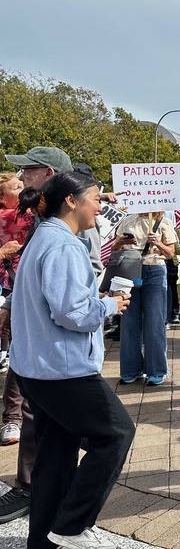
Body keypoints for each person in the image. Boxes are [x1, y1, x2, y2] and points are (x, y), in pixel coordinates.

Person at [11, 171, 134, 549]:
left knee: (56, 455)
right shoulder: (63, 245)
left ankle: (45, 539)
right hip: (63, 369)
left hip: (37, 367)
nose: (101, 206)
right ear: (71, 201)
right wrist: (108, 305)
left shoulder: (44, 237)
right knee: (115, 434)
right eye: (95, 199)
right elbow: (71, 312)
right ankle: (72, 525)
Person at [0, 146, 76, 525]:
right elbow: (30, 271)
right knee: (38, 414)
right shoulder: (42, 220)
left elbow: (88, 274)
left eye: (27, 171)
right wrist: (11, 303)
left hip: (54, 340)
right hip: (33, 330)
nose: (22, 178)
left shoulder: (71, 222)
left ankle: (38, 490)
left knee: (47, 415)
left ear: (47, 174)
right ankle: (40, 488)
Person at [115, 211, 177, 386]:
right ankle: (130, 370)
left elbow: (171, 253)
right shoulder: (127, 220)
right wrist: (121, 242)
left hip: (155, 268)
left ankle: (156, 370)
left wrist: (157, 243)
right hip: (129, 269)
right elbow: (114, 249)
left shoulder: (164, 221)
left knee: (155, 321)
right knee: (128, 321)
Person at [0, 173, 31, 446]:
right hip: (7, 290)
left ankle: (18, 417)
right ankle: (12, 418)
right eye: (15, 187)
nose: (22, 190)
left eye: (23, 185)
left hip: (25, 290)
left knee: (20, 350)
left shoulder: (34, 214)